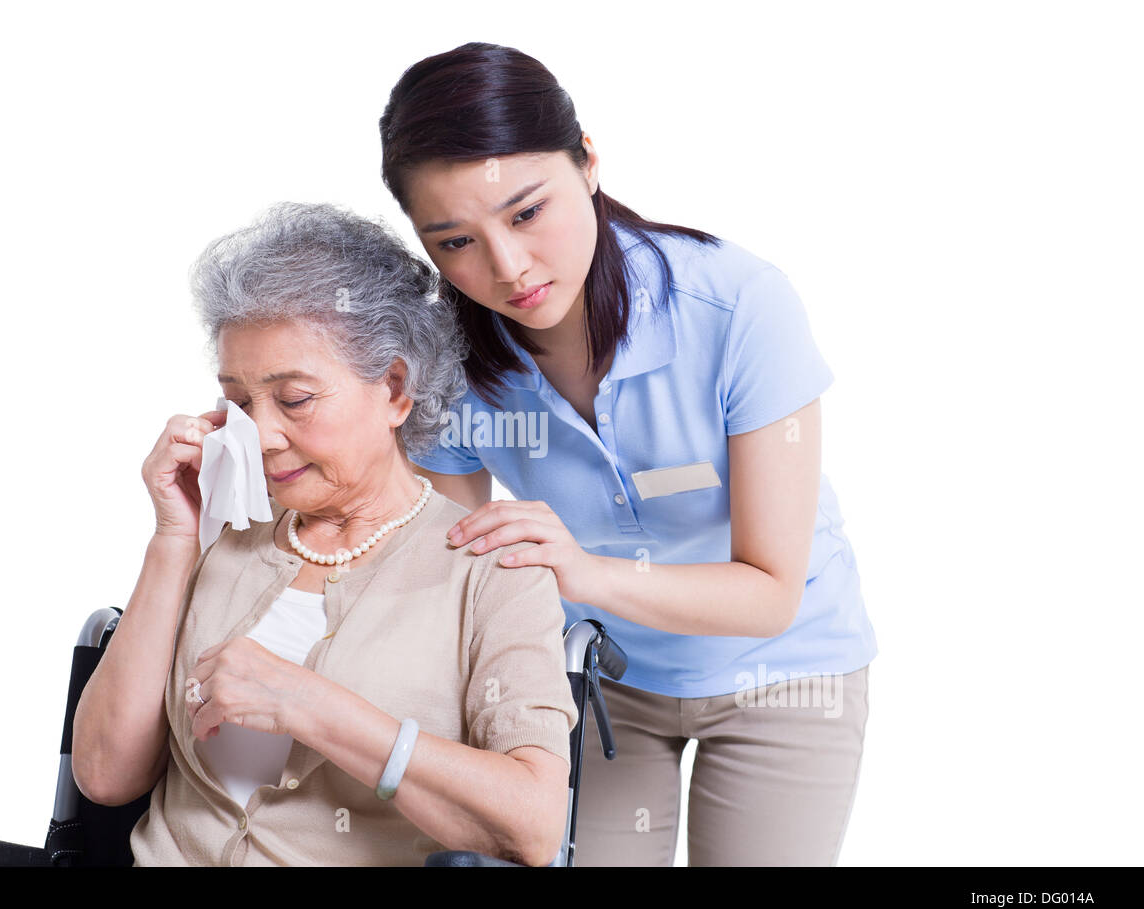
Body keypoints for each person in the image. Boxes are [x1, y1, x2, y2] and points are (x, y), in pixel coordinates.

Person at [379, 42, 877, 866]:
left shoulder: (741, 307)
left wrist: (581, 572)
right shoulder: (444, 356)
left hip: (783, 674)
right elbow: (453, 574)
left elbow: (769, 593)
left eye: (527, 212)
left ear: (588, 165)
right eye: (455, 241)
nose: (507, 267)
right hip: (596, 680)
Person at [71, 201, 579, 867]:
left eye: (295, 399)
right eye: (240, 400)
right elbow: (106, 777)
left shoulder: (490, 567)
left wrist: (311, 706)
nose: (262, 433)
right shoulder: (224, 540)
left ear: (396, 388)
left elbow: (535, 827)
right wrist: (173, 538)